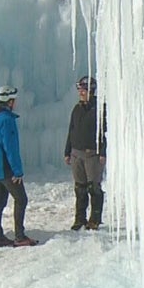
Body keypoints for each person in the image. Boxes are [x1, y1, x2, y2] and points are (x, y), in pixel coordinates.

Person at [0, 85, 36, 246]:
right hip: (7, 169)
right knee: (21, 199)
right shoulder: (6, 120)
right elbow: (11, 148)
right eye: (15, 100)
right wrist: (17, 171)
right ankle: (19, 236)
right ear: (10, 101)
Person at [63, 75, 107, 230]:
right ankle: (79, 219)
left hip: (92, 154)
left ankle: (94, 219)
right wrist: (67, 151)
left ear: (91, 90)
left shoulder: (100, 109)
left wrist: (103, 152)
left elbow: (104, 132)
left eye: (83, 89)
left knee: (94, 187)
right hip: (76, 153)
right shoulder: (77, 109)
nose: (80, 92)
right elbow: (71, 130)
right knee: (79, 188)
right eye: (80, 89)